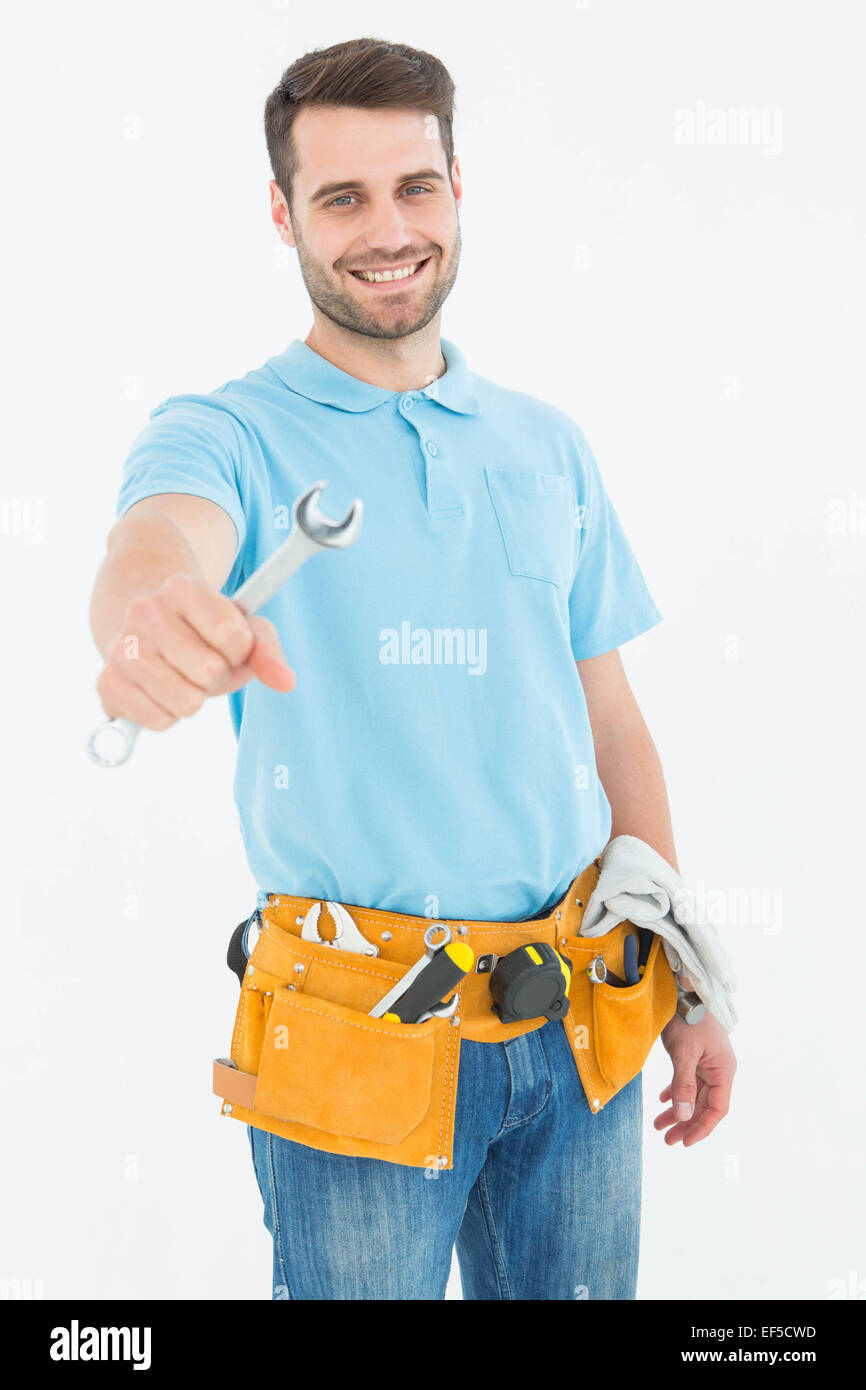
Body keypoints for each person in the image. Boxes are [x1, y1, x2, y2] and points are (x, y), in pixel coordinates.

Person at [89, 36, 736, 1300]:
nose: (386, 230)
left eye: (413, 187)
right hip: (357, 1032)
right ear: (282, 215)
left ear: (455, 189)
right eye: (341, 197)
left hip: (582, 1017)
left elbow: (611, 726)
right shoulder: (225, 431)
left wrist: (685, 978)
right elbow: (158, 541)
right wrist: (153, 607)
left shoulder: (545, 447)